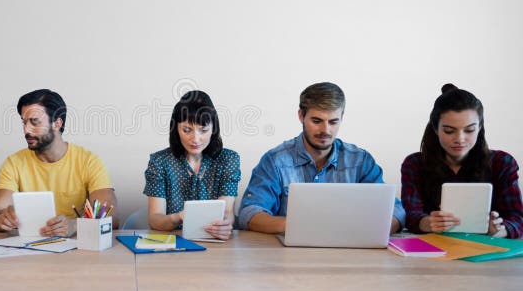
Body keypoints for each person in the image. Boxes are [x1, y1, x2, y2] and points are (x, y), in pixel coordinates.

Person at [238, 82, 405, 234]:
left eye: (333, 122)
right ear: (301, 116)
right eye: (317, 121)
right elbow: (249, 213)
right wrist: (299, 226)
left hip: (349, 250)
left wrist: (373, 230)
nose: (325, 130)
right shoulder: (275, 160)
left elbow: (396, 211)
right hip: (291, 253)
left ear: (342, 118)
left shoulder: (360, 161)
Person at [0, 89, 117, 237]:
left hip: (75, 246)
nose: (26, 130)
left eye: (34, 122)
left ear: (57, 123)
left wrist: (75, 225)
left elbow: (112, 216)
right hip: (29, 244)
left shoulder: (88, 161)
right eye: (24, 122)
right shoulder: (14, 163)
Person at [401, 84, 522, 238]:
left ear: (480, 128)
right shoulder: (415, 164)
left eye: (469, 130)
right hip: (434, 247)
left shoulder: (502, 163)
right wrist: (426, 222)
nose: (460, 139)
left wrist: (500, 229)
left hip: (485, 247)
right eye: (449, 131)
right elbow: (409, 214)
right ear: (435, 128)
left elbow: (518, 218)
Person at [143, 90, 240, 240]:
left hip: (214, 240)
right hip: (174, 241)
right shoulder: (160, 162)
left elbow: (227, 211)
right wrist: (179, 217)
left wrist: (225, 224)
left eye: (203, 130)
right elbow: (155, 219)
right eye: (187, 130)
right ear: (176, 129)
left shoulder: (228, 159)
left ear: (213, 129)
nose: (195, 139)